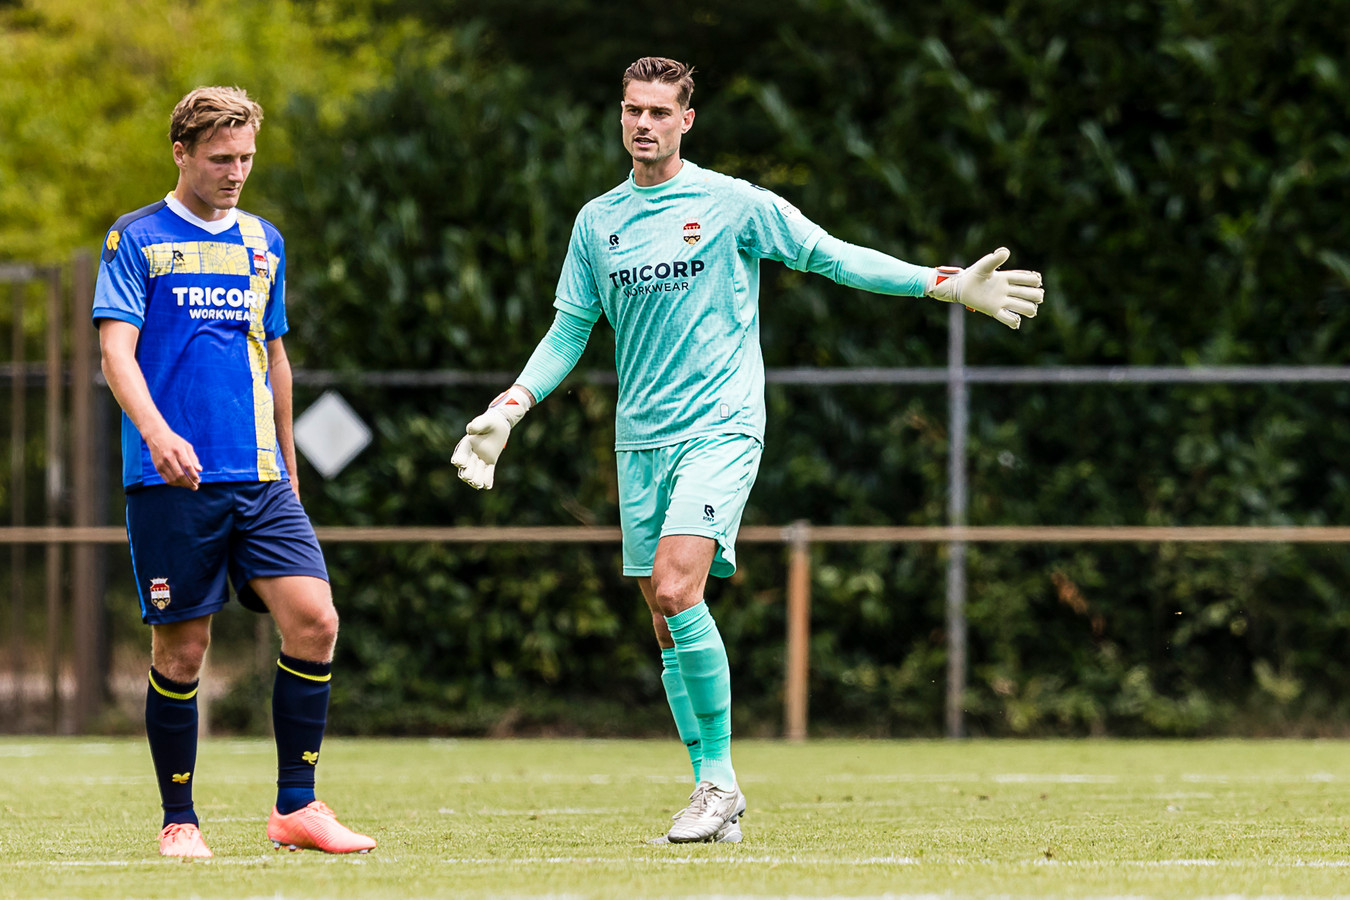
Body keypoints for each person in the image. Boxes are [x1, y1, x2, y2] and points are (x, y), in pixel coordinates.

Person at [451, 57, 1044, 844]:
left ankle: (721, 783)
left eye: (660, 112)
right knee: (666, 625)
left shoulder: (733, 204)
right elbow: (569, 329)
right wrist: (511, 406)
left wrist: (937, 284)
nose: (643, 124)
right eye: (633, 110)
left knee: (674, 588)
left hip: (722, 426)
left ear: (686, 120)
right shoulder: (599, 221)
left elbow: (831, 254)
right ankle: (710, 788)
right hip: (642, 441)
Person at [92, 86, 375, 858]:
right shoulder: (135, 238)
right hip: (172, 481)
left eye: (246, 158)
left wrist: (287, 464)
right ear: (181, 152)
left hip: (259, 478)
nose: (235, 172)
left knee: (316, 620)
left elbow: (274, 355)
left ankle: (297, 806)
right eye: (221, 158)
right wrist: (156, 433)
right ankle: (179, 820)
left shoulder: (265, 241)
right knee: (183, 652)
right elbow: (117, 352)